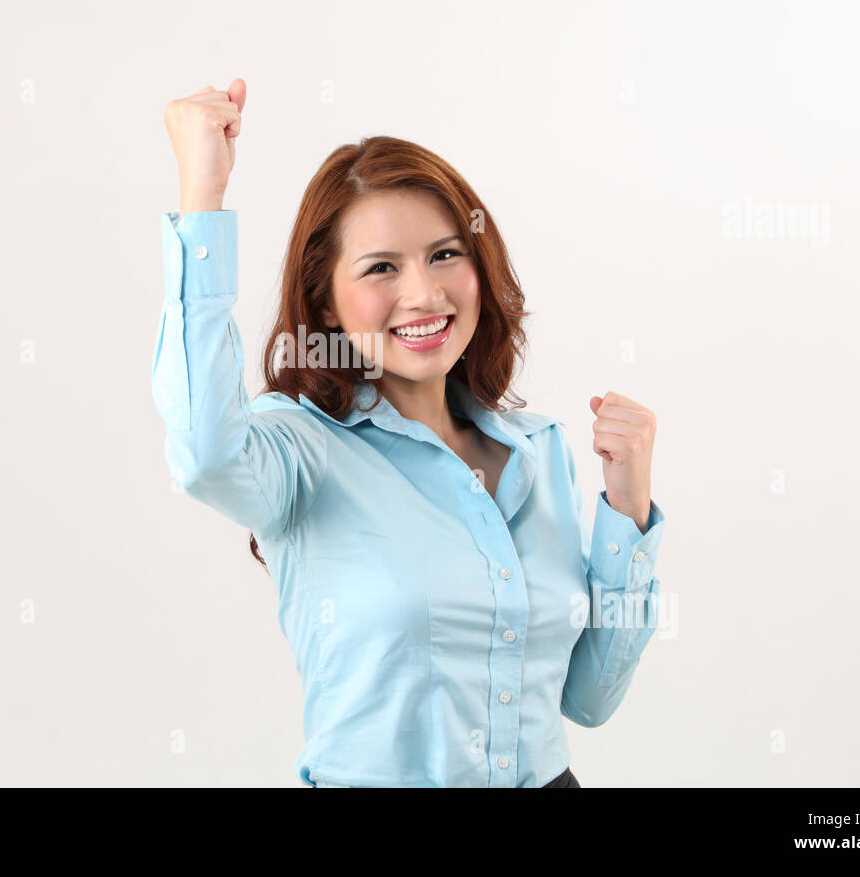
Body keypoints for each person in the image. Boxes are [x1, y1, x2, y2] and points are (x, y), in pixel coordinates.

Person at [153, 78, 665, 788]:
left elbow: (587, 699)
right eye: (381, 268)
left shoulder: (538, 449)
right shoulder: (302, 448)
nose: (424, 294)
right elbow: (205, 456)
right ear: (326, 306)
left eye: (445, 255)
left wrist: (629, 515)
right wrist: (201, 195)